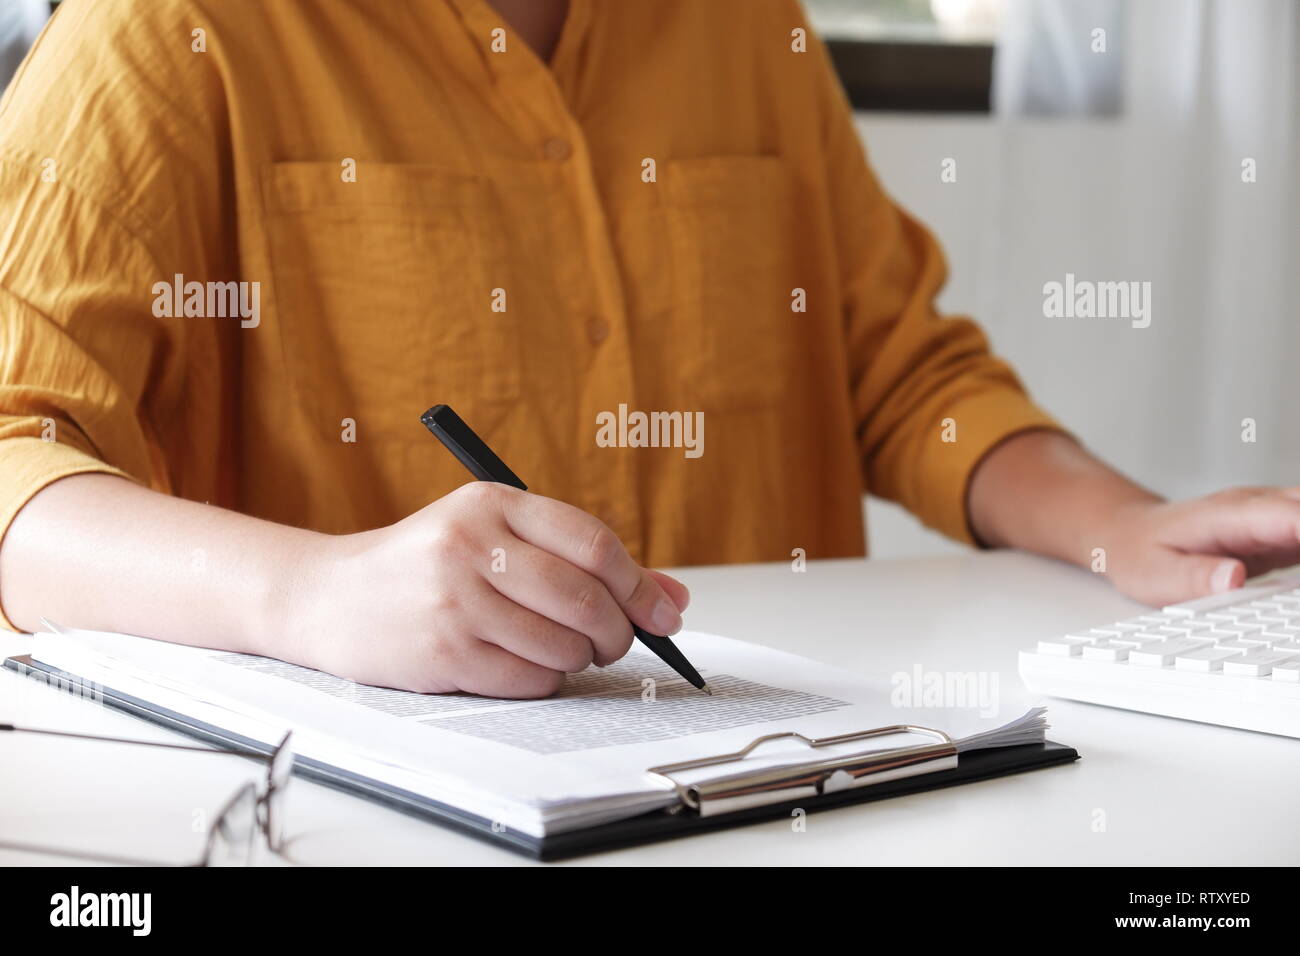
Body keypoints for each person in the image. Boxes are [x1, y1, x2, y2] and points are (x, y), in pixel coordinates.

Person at [2, 0, 1297, 698]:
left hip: (781, 790)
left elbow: (904, 373)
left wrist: (1116, 525)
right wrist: (316, 595)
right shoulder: (159, 32)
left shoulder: (742, 26)